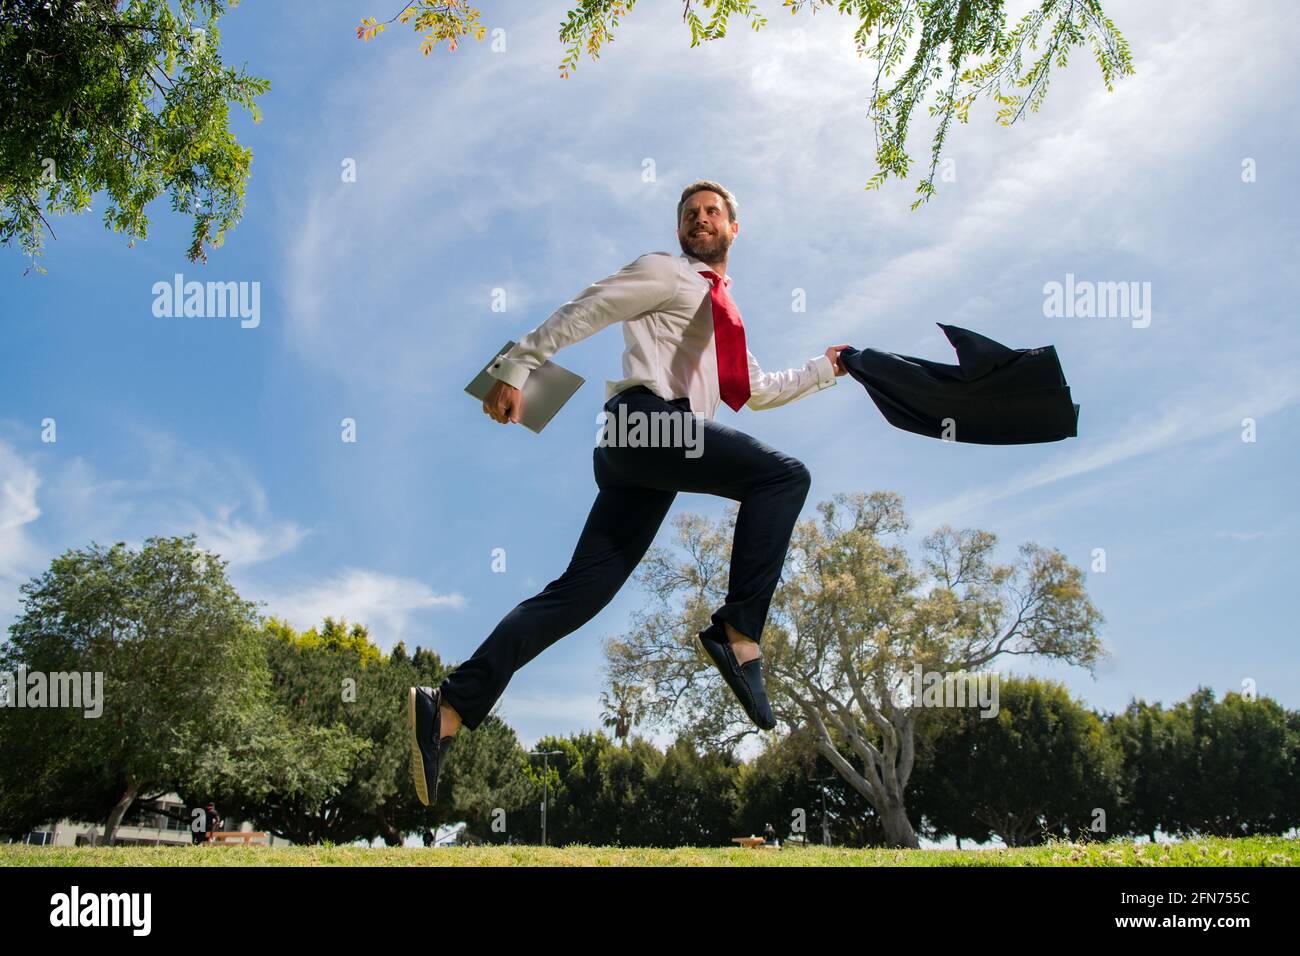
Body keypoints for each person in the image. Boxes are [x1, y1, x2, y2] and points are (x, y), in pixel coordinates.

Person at [409, 180, 849, 807]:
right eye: (690, 213)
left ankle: (448, 707)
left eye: (713, 212)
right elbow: (590, 307)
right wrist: (518, 365)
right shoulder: (667, 272)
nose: (701, 219)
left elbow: (749, 386)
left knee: (577, 596)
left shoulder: (721, 310)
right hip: (644, 425)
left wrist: (825, 370)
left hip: (651, 458)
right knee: (784, 477)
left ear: (733, 228)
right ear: (679, 231)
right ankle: (737, 631)